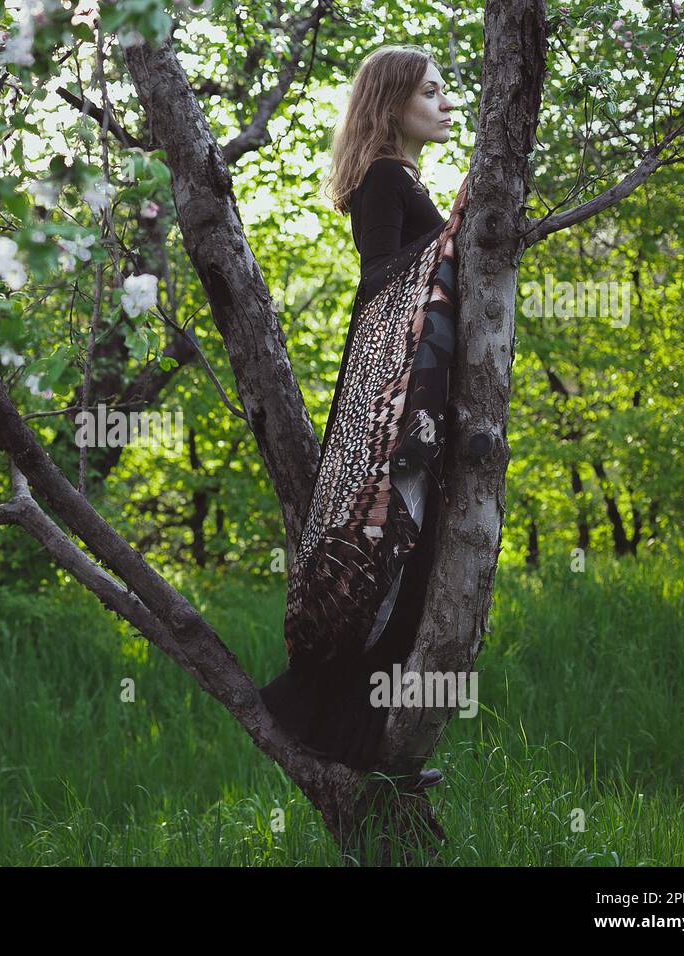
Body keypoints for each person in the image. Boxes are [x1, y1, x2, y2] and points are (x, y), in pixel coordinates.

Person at [260, 45, 466, 792]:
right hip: (390, 400)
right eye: (433, 93)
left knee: (415, 552)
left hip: (416, 397)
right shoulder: (385, 178)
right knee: (393, 552)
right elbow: (380, 281)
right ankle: (346, 737)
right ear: (392, 103)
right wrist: (455, 235)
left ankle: (373, 745)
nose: (447, 105)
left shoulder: (403, 177)